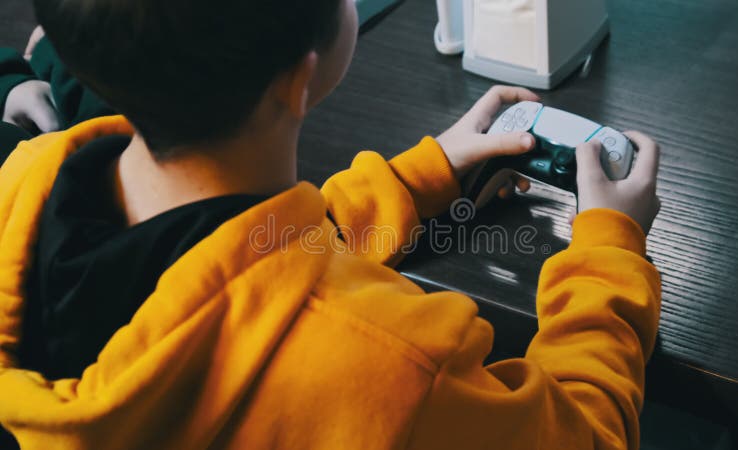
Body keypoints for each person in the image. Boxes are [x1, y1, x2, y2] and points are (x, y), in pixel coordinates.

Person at [0, 0, 662, 449]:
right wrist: (609, 247)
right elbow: (583, 435)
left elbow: (235, 276)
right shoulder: (396, 367)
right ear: (299, 79)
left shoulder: (22, 187)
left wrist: (416, 179)